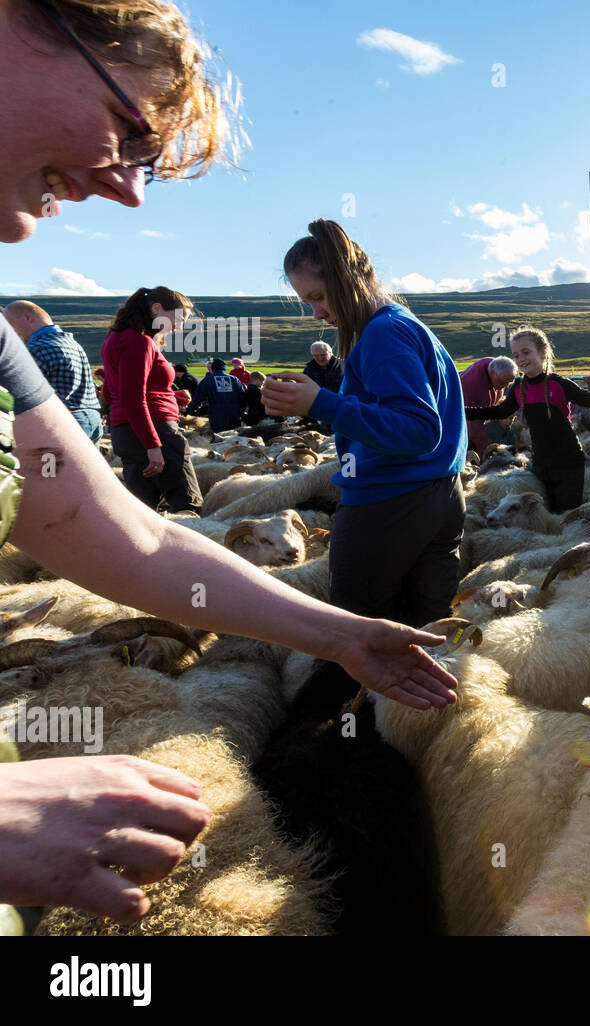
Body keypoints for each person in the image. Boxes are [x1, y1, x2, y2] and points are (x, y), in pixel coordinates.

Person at [0, 0, 455, 927]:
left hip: (401, 496)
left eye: (150, 167)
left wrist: (335, 635)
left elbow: (112, 527)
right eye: (130, 130)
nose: (129, 189)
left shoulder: (4, 359)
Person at [263, 219, 468, 628]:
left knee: (356, 634)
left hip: (389, 502)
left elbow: (419, 429)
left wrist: (323, 403)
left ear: (345, 278)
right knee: (424, 634)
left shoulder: (382, 334)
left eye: (319, 297)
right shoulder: (406, 324)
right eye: (308, 303)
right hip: (442, 496)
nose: (317, 313)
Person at [464, 327, 590, 512]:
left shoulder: (558, 384)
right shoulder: (519, 388)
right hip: (540, 464)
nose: (521, 359)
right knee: (545, 514)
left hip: (568, 462)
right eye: (516, 355)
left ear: (542, 353)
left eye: (526, 353)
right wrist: (465, 412)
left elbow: (588, 399)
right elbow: (501, 410)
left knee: (566, 512)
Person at [101, 285, 203, 513]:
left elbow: (111, 392)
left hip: (125, 433)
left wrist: (172, 395)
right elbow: (132, 398)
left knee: (144, 511)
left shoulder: (116, 338)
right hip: (155, 431)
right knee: (186, 506)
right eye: (180, 318)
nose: (181, 325)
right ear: (157, 308)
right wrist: (153, 445)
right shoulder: (141, 342)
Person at [2, 300, 102, 441]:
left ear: (27, 317)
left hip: (62, 422)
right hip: (91, 418)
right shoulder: (72, 343)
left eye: (9, 325)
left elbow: (15, 392)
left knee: (50, 464)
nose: (9, 332)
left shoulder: (38, 347)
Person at [459, 354, 517, 459]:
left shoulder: (494, 364)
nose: (505, 387)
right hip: (461, 425)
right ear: (492, 373)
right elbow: (474, 430)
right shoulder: (476, 389)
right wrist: (492, 453)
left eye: (508, 383)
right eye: (503, 382)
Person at [185, 355, 245, 431]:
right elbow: (243, 397)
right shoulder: (234, 379)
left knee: (219, 438)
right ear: (224, 368)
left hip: (217, 414)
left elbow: (198, 398)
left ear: (213, 368)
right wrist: (241, 412)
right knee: (234, 438)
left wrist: (189, 410)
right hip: (234, 413)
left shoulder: (207, 380)